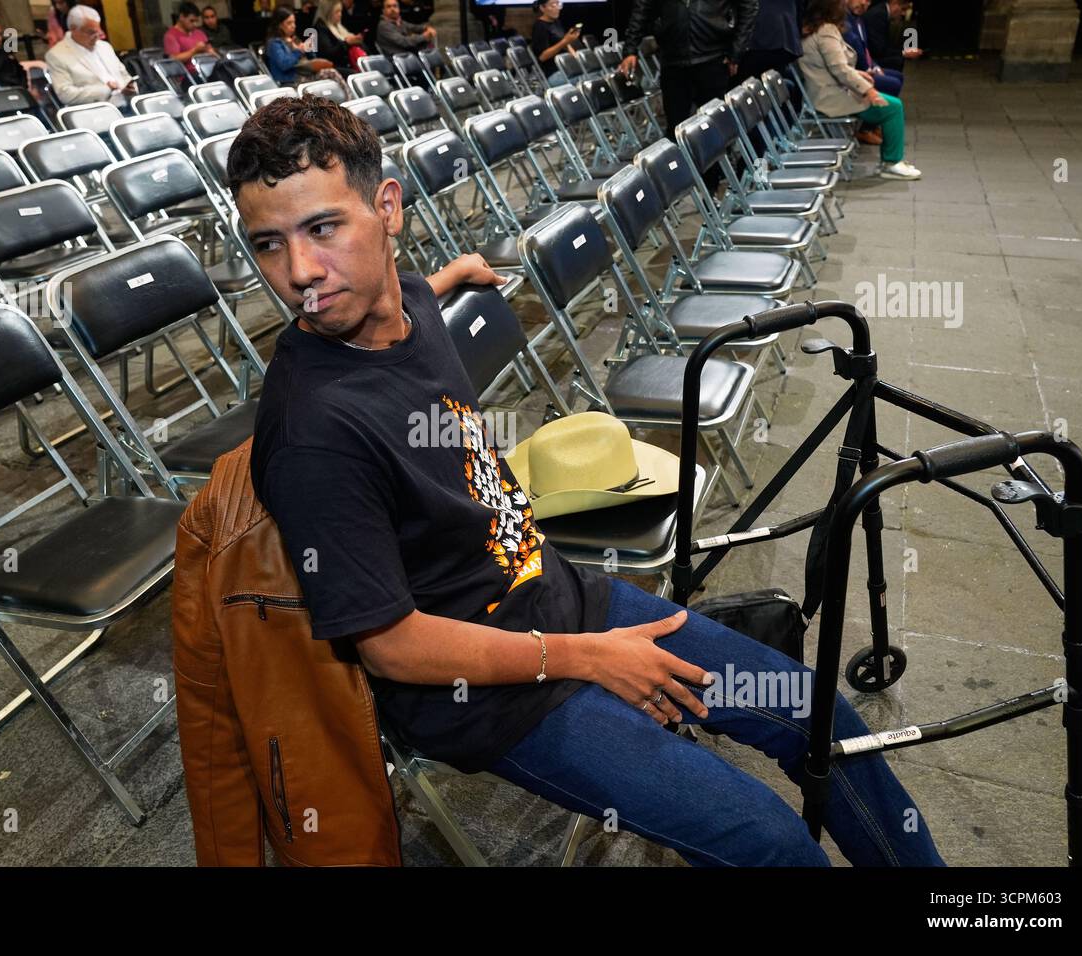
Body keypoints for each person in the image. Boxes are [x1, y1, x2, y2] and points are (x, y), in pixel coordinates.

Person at [224, 93, 947, 867]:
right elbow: (392, 649)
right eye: (269, 244)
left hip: (565, 599)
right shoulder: (313, 435)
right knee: (770, 843)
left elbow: (410, 310)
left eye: (323, 227)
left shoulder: (398, 306)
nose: (300, 272)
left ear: (388, 209)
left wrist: (452, 277)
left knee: (817, 714)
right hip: (490, 694)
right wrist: (585, 656)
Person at [798, 0, 919, 179]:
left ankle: (891, 160)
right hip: (830, 98)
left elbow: (831, 67)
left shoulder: (814, 28)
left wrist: (859, 74)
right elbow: (840, 69)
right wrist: (869, 91)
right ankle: (892, 163)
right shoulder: (826, 31)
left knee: (890, 102)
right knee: (893, 107)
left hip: (824, 92)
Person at [619, 0, 760, 137]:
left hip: (714, 56)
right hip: (673, 59)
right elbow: (642, 7)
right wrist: (630, 49)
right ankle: (678, 161)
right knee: (676, 129)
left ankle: (720, 161)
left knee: (716, 126)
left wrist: (736, 51)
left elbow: (749, 6)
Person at [44, 5, 137, 107]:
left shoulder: (104, 46)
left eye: (98, 31)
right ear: (73, 28)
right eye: (91, 32)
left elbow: (124, 75)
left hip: (127, 103)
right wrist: (107, 88)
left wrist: (130, 86)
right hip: (94, 112)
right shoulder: (57, 55)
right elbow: (66, 95)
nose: (97, 36)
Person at [264, 5, 340, 84]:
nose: (293, 26)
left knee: (332, 73)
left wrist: (308, 50)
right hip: (289, 80)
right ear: (279, 25)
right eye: (289, 23)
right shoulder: (274, 43)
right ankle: (349, 96)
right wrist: (299, 51)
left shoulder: (294, 39)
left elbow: (311, 59)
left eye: (294, 22)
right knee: (331, 74)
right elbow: (284, 64)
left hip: (304, 74)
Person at [843, 0, 901, 95]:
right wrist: (869, 69)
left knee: (898, 76)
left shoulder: (859, 20)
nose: (863, 3)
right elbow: (856, 49)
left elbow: (866, 50)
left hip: (866, 65)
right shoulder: (845, 20)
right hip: (855, 70)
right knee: (894, 83)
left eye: (868, 0)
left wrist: (875, 67)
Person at [529, 0, 580, 86]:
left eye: (558, 4)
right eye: (553, 5)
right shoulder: (539, 26)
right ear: (542, 8)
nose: (557, 8)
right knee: (586, 77)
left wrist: (575, 57)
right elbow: (542, 56)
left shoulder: (557, 22)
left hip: (566, 67)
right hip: (553, 73)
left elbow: (565, 44)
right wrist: (565, 41)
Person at [864, 0, 922, 72]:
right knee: (896, 61)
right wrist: (904, 53)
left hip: (872, 53)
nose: (903, 14)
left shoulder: (882, 12)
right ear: (894, 3)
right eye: (903, 9)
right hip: (871, 57)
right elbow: (878, 49)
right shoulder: (879, 15)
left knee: (897, 60)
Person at [314, 0, 367, 71]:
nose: (340, 14)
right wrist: (347, 43)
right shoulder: (320, 29)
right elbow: (329, 54)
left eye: (341, 11)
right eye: (337, 12)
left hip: (347, 63)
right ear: (328, 12)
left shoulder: (338, 26)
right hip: (335, 67)